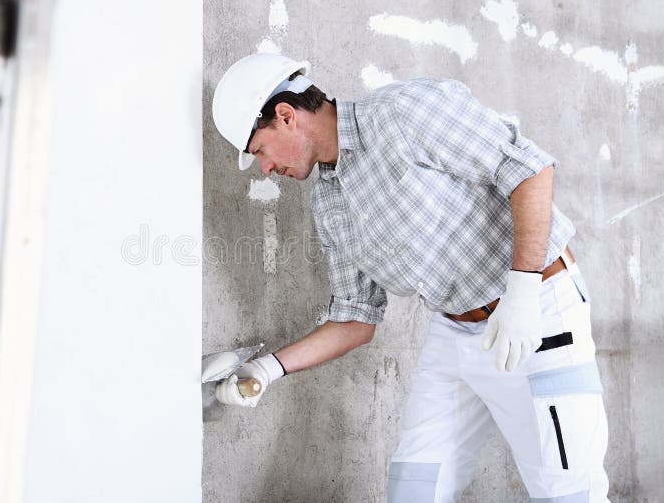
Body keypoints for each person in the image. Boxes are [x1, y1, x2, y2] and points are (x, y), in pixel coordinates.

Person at [211, 53, 609, 502]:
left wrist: (522, 292)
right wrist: (267, 369)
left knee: (569, 492)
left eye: (259, 151)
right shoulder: (328, 202)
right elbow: (355, 319)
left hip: (539, 310)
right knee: (414, 492)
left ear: (285, 116)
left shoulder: (405, 113)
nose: (266, 169)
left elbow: (530, 170)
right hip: (454, 331)